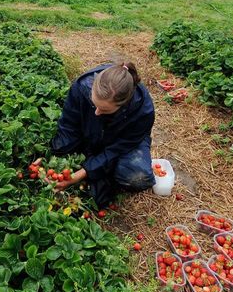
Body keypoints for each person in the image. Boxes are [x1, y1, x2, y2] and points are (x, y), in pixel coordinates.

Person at [48, 61, 156, 208]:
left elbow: (117, 149)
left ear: (123, 105)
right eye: (94, 104)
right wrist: (52, 156)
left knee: (137, 177)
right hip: (93, 131)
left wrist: (79, 175)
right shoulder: (81, 87)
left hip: (122, 142)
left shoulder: (143, 112)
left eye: (104, 110)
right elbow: (68, 125)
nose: (96, 112)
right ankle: (98, 167)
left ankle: (105, 173)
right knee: (64, 147)